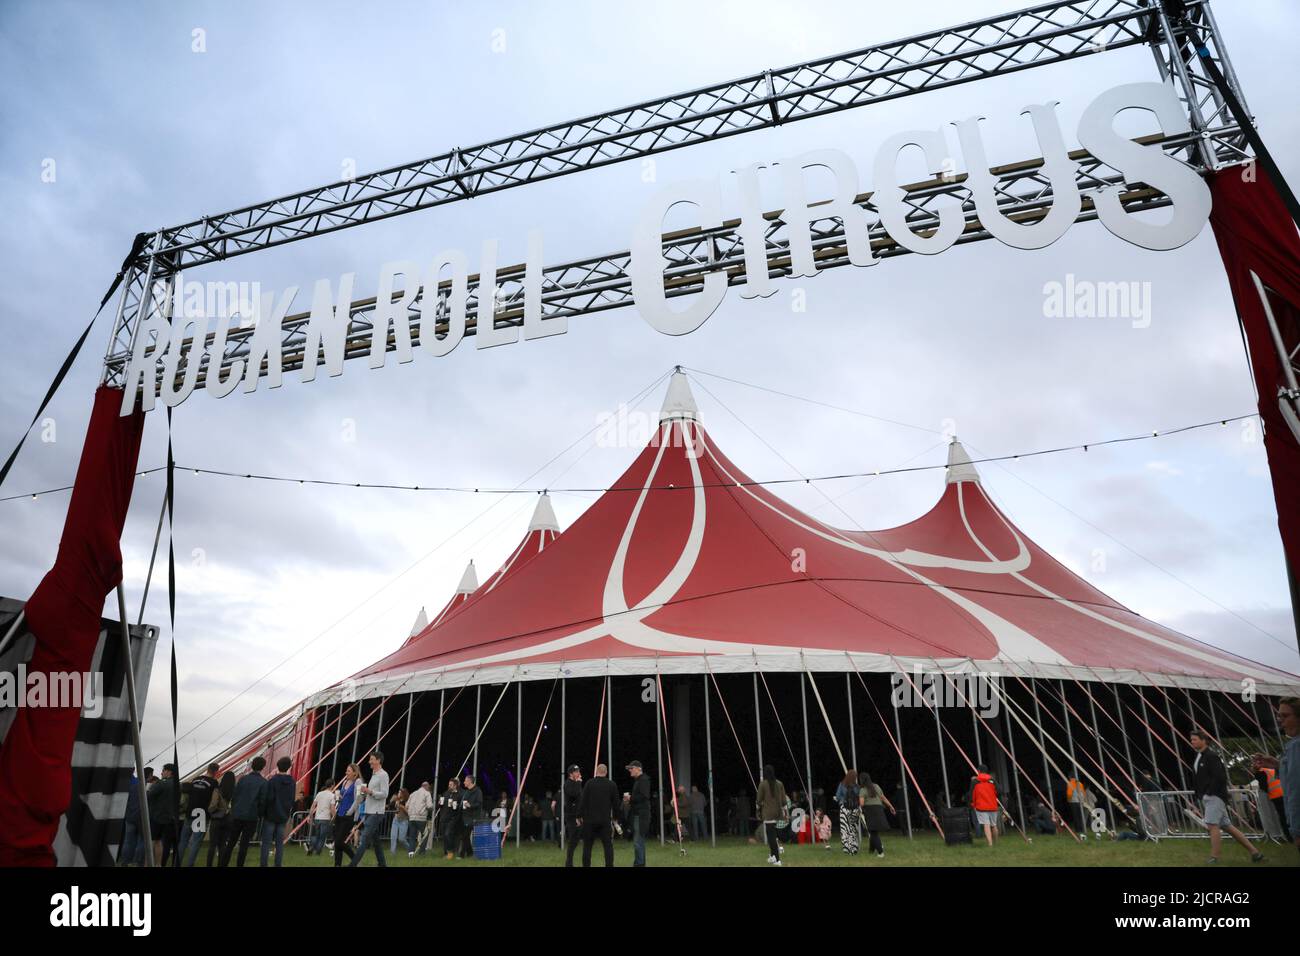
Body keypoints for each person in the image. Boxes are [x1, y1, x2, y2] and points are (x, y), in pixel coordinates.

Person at [1189, 729, 1264, 864]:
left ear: (1203, 740)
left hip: (1215, 796)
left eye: (1194, 739)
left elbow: (1219, 777)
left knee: (1212, 825)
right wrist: (1199, 795)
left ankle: (1215, 857)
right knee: (1227, 826)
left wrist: (1209, 792)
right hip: (1209, 796)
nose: (1192, 742)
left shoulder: (1211, 756)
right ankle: (1255, 852)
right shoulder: (1199, 757)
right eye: (1191, 739)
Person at [1253, 696, 1300, 855]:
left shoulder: (1296, 746)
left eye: (1285, 716)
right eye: (1279, 716)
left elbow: (1296, 790)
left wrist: (1296, 829)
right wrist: (1279, 765)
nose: (1280, 721)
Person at [221, 755, 267, 867]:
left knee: (231, 843)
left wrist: (235, 810)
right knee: (244, 845)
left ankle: (223, 864)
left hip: (237, 815)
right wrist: (259, 814)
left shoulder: (243, 779)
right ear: (263, 767)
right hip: (251, 817)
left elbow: (235, 795)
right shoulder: (263, 782)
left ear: (252, 765)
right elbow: (263, 801)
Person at [350, 751, 390, 867]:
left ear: (378, 760)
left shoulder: (383, 775)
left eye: (371, 759)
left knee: (364, 838)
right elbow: (372, 794)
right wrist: (364, 793)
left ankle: (352, 864)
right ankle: (382, 864)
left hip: (376, 812)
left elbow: (385, 794)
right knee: (376, 841)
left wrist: (370, 792)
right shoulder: (374, 775)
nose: (369, 761)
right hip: (369, 811)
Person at [578, 763, 619, 867]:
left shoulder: (589, 784)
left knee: (587, 846)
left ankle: (586, 865)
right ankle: (609, 865)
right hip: (605, 820)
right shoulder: (611, 785)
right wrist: (616, 818)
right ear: (606, 772)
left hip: (589, 821)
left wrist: (579, 816)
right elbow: (616, 804)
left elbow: (583, 801)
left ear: (596, 771)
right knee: (608, 846)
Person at [259, 756, 295, 867]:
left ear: (278, 766)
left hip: (271, 815)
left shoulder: (272, 781)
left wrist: (264, 812)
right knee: (279, 843)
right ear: (289, 767)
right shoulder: (292, 782)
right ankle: (278, 864)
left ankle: (264, 864)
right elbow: (291, 799)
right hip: (283, 815)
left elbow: (268, 798)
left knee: (266, 842)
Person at [119, 766, 152, 866]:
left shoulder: (132, 784)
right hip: (143, 818)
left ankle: (125, 861)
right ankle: (137, 862)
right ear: (149, 775)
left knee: (128, 841)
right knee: (142, 841)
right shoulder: (149, 786)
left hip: (130, 816)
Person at [147, 763, 179, 866]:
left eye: (164, 770)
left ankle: (146, 864)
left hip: (157, 816)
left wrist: (148, 788)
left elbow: (148, 795)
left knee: (151, 842)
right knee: (159, 841)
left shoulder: (162, 784)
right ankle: (158, 864)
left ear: (169, 772)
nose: (162, 773)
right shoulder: (178, 784)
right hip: (170, 818)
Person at [756, 764, 788, 865]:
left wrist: (758, 806)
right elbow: (784, 801)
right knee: (773, 836)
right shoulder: (780, 783)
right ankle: (772, 856)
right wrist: (785, 813)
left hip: (768, 814)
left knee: (771, 838)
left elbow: (759, 800)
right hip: (778, 813)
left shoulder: (763, 784)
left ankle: (777, 859)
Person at [859, 772, 896, 857]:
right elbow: (883, 798)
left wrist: (858, 808)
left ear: (862, 780)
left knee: (873, 832)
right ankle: (871, 850)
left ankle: (880, 852)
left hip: (870, 810)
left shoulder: (863, 790)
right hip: (879, 809)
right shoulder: (876, 786)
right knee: (873, 831)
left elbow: (861, 804)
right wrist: (891, 806)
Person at [624, 760, 652, 867]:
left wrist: (631, 798)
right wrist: (630, 799)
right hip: (638, 814)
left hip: (641, 816)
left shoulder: (643, 780)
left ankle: (639, 864)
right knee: (639, 841)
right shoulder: (639, 780)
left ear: (638, 768)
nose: (630, 770)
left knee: (638, 842)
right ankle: (640, 863)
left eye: (631, 768)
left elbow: (645, 796)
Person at [205, 770, 236, 866]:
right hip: (229, 819)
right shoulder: (235, 791)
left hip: (217, 818)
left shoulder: (218, 790)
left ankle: (209, 864)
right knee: (222, 845)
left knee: (212, 845)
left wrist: (210, 811)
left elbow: (213, 804)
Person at [333, 764, 361, 866]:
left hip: (349, 815)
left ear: (354, 772)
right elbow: (343, 796)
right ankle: (337, 864)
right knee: (337, 843)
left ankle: (355, 859)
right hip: (339, 814)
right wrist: (339, 797)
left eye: (348, 771)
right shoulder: (345, 782)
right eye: (346, 771)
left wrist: (350, 811)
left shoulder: (358, 782)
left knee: (339, 842)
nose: (346, 773)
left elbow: (359, 799)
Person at [969, 765, 1000, 847]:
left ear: (978, 771)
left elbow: (971, 793)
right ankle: (996, 842)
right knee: (994, 825)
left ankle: (990, 844)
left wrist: (971, 803)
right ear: (987, 771)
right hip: (992, 805)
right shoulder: (992, 779)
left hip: (981, 806)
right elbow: (999, 790)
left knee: (986, 825)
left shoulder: (975, 781)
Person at [558, 764, 583, 866]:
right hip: (571, 816)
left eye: (578, 771)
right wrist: (578, 783)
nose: (578, 773)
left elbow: (580, 797)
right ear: (571, 773)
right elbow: (574, 794)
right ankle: (569, 863)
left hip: (578, 815)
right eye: (576, 772)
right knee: (573, 839)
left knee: (576, 839)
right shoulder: (568, 783)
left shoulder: (577, 783)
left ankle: (569, 862)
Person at [834, 769, 861, 855]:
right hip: (855, 809)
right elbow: (859, 797)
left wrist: (843, 800)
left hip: (844, 809)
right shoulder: (857, 786)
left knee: (845, 829)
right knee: (853, 828)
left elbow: (837, 796)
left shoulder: (842, 784)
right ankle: (854, 847)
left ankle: (847, 848)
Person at [308, 778, 337, 856]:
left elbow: (313, 806)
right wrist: (335, 816)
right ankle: (318, 852)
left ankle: (311, 847)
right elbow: (332, 808)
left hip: (317, 817)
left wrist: (310, 816)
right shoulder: (332, 795)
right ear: (332, 785)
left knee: (316, 835)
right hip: (326, 818)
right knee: (322, 837)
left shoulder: (319, 793)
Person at [457, 774, 484, 859]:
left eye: (465, 780)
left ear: (469, 781)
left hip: (473, 818)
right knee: (465, 836)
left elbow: (479, 804)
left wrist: (470, 805)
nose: (464, 782)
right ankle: (470, 853)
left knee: (465, 836)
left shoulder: (478, 791)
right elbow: (464, 803)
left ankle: (462, 855)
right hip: (465, 817)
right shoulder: (467, 791)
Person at [406, 781, 433, 856]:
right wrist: (432, 808)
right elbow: (429, 806)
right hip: (421, 818)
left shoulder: (413, 794)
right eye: (429, 787)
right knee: (425, 835)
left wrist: (410, 813)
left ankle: (410, 853)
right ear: (427, 787)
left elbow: (407, 805)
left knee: (412, 836)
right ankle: (422, 852)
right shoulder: (427, 793)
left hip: (411, 818)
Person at [438, 777, 461, 859]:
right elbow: (441, 806)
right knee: (444, 836)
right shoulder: (446, 793)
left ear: (455, 786)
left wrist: (456, 806)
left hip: (452, 819)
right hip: (443, 818)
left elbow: (459, 808)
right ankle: (446, 853)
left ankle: (451, 852)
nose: (449, 786)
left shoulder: (458, 795)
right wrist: (440, 803)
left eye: (451, 785)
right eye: (449, 784)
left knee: (448, 834)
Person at [389, 787, 410, 855]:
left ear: (403, 794)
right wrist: (392, 800)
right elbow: (390, 806)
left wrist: (401, 806)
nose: (398, 793)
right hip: (395, 820)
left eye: (400, 792)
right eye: (398, 792)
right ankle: (393, 853)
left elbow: (408, 812)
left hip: (403, 821)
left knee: (401, 839)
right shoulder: (397, 800)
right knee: (393, 837)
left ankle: (410, 849)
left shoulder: (407, 801)